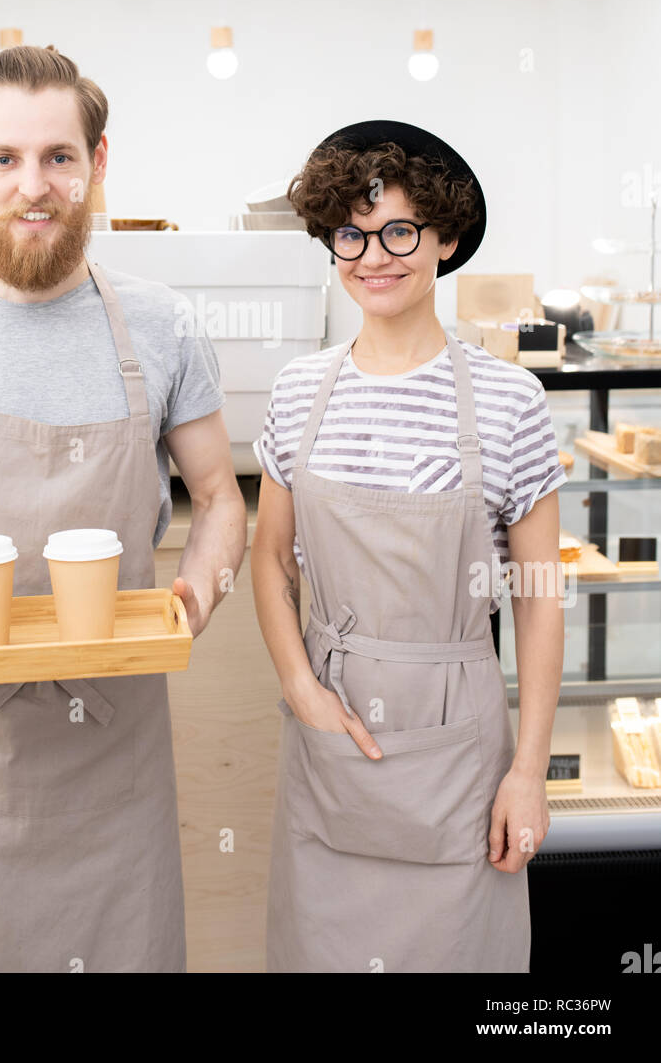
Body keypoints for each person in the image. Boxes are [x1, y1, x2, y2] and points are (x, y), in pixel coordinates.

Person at [0, 43, 247, 973]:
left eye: (60, 158)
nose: (35, 186)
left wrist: (197, 594)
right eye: (7, 159)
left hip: (115, 745)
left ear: (98, 166)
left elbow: (221, 500)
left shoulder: (163, 325)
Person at [251, 119, 566, 974]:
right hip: (333, 740)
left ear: (446, 236)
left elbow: (539, 598)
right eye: (351, 233)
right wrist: (299, 688)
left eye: (399, 230)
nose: (373, 256)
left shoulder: (511, 402)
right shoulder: (297, 390)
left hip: (461, 759)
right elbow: (270, 559)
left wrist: (528, 773)